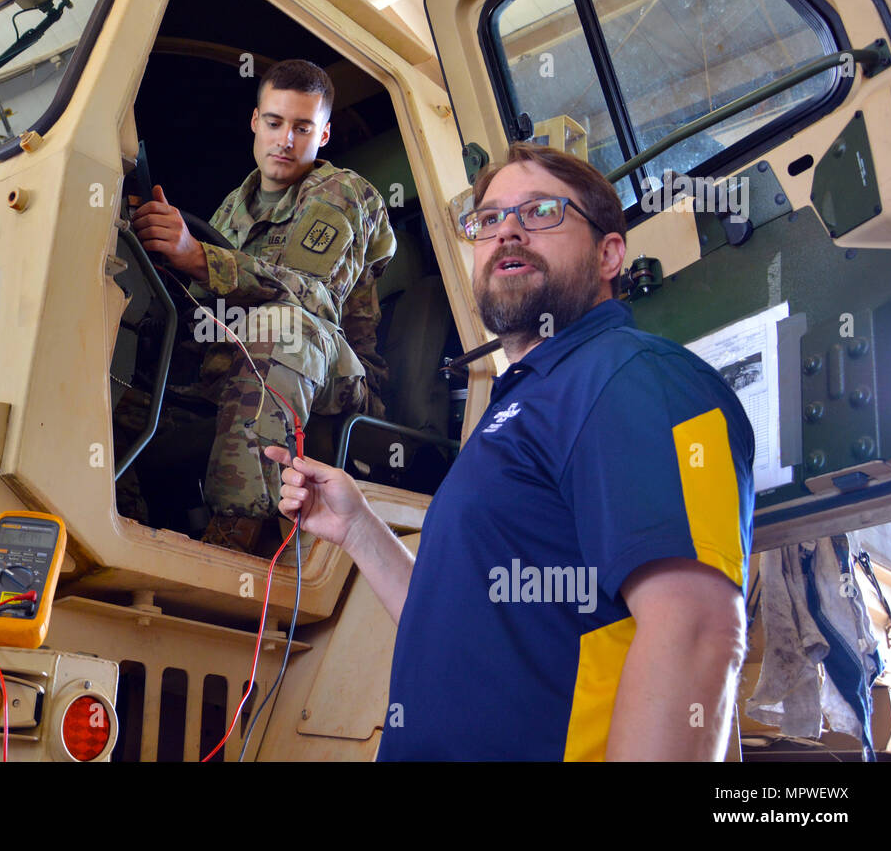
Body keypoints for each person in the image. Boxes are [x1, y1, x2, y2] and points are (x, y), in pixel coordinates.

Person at [264, 141, 754, 759]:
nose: (508, 233)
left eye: (542, 212)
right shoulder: (516, 410)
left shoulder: (639, 378)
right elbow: (457, 622)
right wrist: (359, 528)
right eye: (489, 219)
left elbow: (698, 630)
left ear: (610, 253)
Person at [122, 59, 395, 552]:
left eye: (302, 127)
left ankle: (241, 531)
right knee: (126, 369)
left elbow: (313, 297)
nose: (285, 140)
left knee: (282, 326)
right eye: (274, 123)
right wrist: (162, 256)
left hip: (332, 370)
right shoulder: (235, 204)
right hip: (237, 356)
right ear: (255, 122)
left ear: (324, 135)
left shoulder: (343, 193)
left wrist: (200, 257)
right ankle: (123, 521)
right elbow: (205, 300)